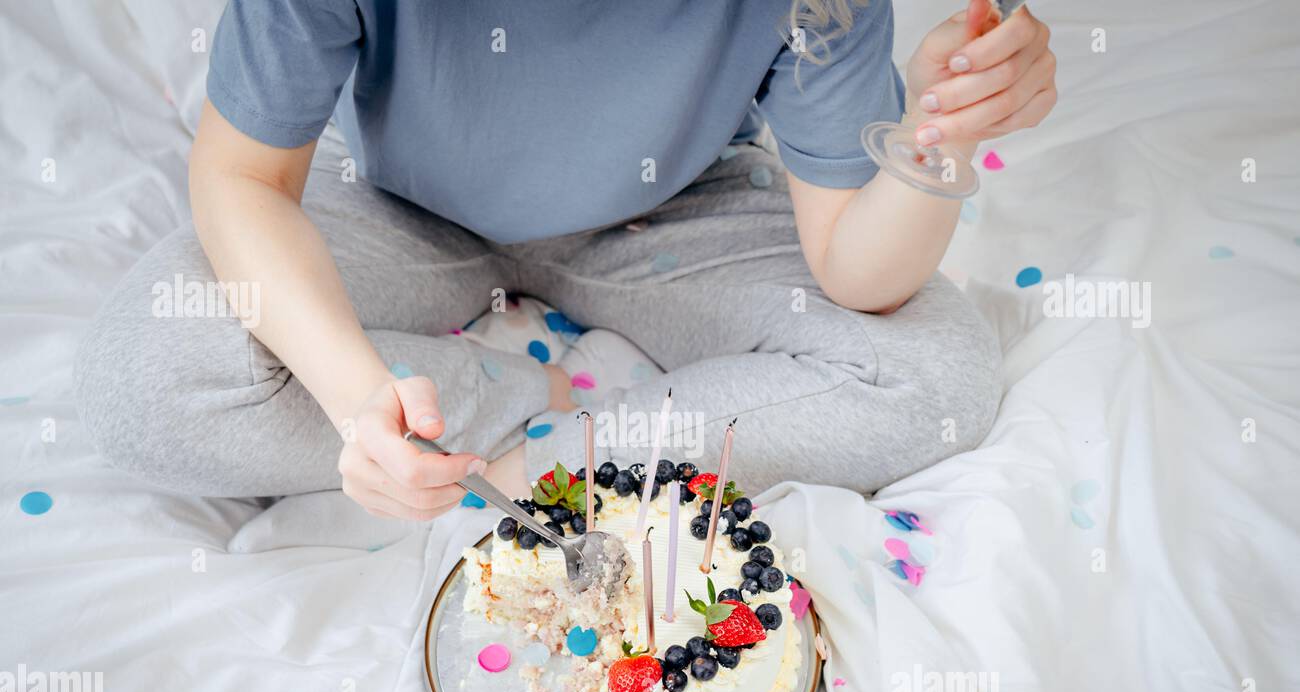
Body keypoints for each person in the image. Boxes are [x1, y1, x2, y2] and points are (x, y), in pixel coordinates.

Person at [75, 0, 1056, 519]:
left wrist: (933, 143)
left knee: (933, 373)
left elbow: (856, 273)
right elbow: (239, 179)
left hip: (667, 213)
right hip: (394, 201)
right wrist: (355, 396)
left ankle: (566, 458)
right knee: (146, 370)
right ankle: (506, 403)